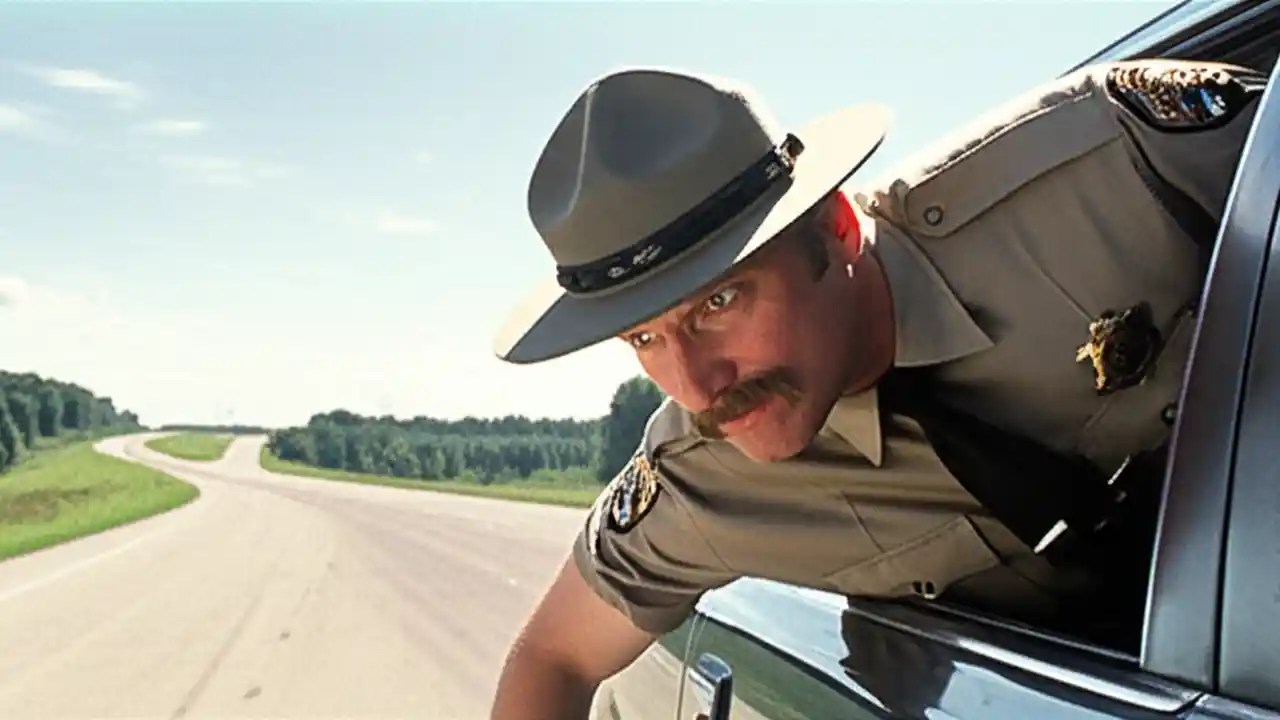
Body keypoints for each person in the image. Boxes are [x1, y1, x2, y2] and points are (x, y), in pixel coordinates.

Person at [487, 58, 1266, 719]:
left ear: (837, 229)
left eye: (718, 304)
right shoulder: (702, 478)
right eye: (645, 338)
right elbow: (553, 655)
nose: (695, 386)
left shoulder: (1117, 168)